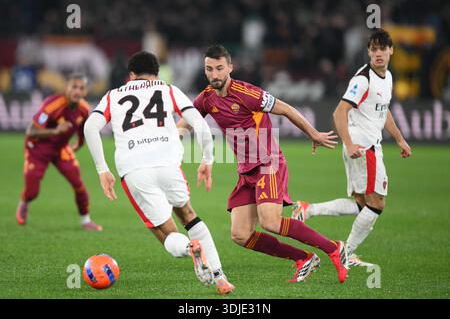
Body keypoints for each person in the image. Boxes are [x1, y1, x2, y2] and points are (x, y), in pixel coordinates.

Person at [177, 45, 349, 283]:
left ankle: (333, 248)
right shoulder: (206, 98)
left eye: (219, 68)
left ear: (230, 67)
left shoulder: (248, 93)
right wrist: (165, 142)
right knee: (240, 234)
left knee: (270, 221)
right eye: (209, 69)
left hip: (269, 163)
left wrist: (313, 134)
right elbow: (185, 124)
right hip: (246, 171)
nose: (214, 74)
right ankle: (303, 258)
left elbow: (286, 109)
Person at [83, 51, 234, 295]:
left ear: (130, 75)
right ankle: (220, 278)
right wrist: (208, 159)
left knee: (164, 232)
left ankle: (189, 248)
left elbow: (90, 126)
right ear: (156, 73)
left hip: (134, 169)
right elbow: (201, 125)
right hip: (168, 164)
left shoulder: (113, 96)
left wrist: (102, 170)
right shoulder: (169, 89)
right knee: (188, 214)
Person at [292, 29, 412, 266]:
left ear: (391, 51)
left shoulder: (386, 77)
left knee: (362, 204)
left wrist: (399, 138)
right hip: (362, 146)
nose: (378, 54)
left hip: (364, 146)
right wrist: (349, 143)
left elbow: (383, 109)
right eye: (374, 49)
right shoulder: (363, 78)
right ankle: (347, 251)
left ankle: (309, 209)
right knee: (377, 203)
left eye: (382, 49)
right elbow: (340, 112)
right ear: (368, 51)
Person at [16, 73, 102, 231]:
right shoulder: (52, 105)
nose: (77, 91)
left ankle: (86, 220)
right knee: (32, 191)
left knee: (78, 184)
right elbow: (31, 131)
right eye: (73, 87)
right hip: (38, 149)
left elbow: (83, 128)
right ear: (66, 88)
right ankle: (24, 201)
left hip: (61, 149)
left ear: (85, 91)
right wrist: (55, 131)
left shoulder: (84, 108)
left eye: (81, 88)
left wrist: (80, 143)